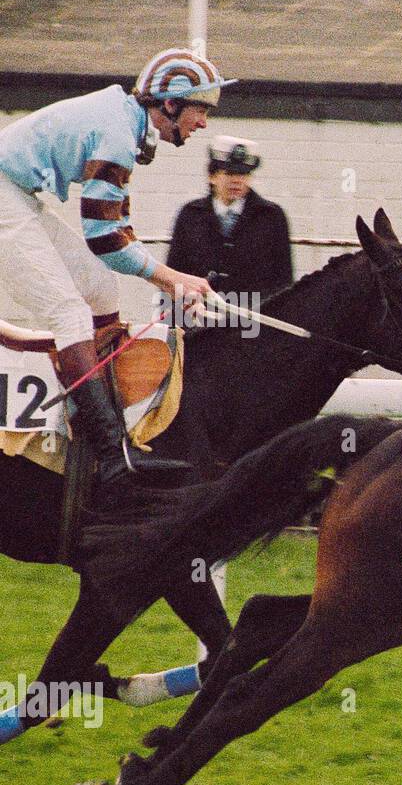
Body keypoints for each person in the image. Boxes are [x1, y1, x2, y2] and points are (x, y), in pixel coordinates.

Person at [0, 47, 233, 488]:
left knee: (101, 288)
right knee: (69, 312)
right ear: (169, 103)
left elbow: (114, 233)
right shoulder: (118, 135)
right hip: (5, 196)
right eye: (201, 109)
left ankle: (100, 417)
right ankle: (110, 452)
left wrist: (169, 277)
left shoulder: (125, 122)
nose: (203, 123)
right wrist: (173, 278)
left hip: (16, 196)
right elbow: (105, 238)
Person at [166, 135, 292, 310]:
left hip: (252, 323)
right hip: (199, 321)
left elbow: (283, 281)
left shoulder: (271, 217)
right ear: (212, 176)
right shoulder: (190, 216)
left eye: (243, 173)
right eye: (229, 173)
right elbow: (173, 274)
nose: (237, 180)